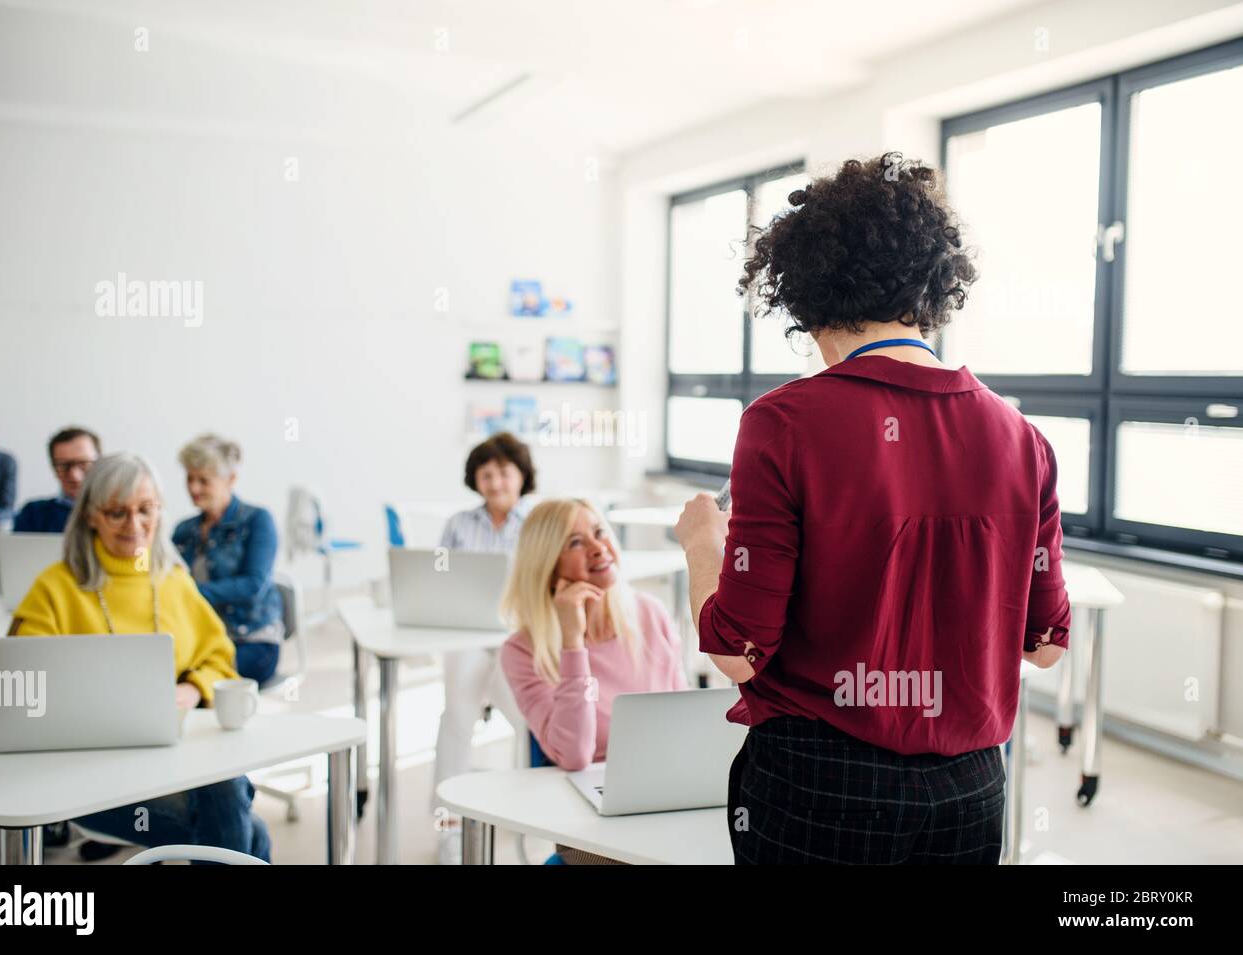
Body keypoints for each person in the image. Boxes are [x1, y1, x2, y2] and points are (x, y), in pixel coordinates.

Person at [674, 153, 1072, 866]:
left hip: (822, 784)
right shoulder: (1024, 439)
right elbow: (1042, 643)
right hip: (973, 786)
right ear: (932, 284)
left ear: (803, 290)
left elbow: (736, 653)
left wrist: (703, 542)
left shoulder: (784, 422)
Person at [9, 453, 269, 862]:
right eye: (117, 513)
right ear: (91, 515)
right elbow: (23, 684)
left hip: (173, 761)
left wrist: (189, 689)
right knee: (246, 831)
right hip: (87, 776)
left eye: (146, 510)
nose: (135, 526)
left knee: (228, 789)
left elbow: (220, 658)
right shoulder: (56, 587)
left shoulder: (174, 582)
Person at [500, 498, 687, 864]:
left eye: (599, 532)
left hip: (666, 796)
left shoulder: (650, 614)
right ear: (547, 566)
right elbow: (574, 754)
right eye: (574, 542)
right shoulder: (522, 651)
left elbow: (683, 722)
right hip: (588, 822)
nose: (599, 547)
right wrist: (573, 643)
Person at [430, 433, 536, 863]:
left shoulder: (537, 524)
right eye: (486, 474)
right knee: (456, 717)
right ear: (475, 479)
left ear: (521, 476)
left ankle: (534, 825)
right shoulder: (458, 524)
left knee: (530, 722)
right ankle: (447, 827)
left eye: (503, 472)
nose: (495, 482)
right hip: (469, 636)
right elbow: (438, 579)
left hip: (519, 640)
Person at [173, 435, 283, 685]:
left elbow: (253, 584)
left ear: (230, 479)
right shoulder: (183, 530)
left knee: (191, 681)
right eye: (190, 478)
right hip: (203, 639)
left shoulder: (257, 520)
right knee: (162, 673)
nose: (194, 488)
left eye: (204, 480)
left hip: (252, 641)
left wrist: (190, 592)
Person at [13, 426, 101, 533]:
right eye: (63, 466)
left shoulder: (120, 512)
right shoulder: (32, 513)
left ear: (100, 463)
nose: (75, 476)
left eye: (83, 463)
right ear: (53, 467)